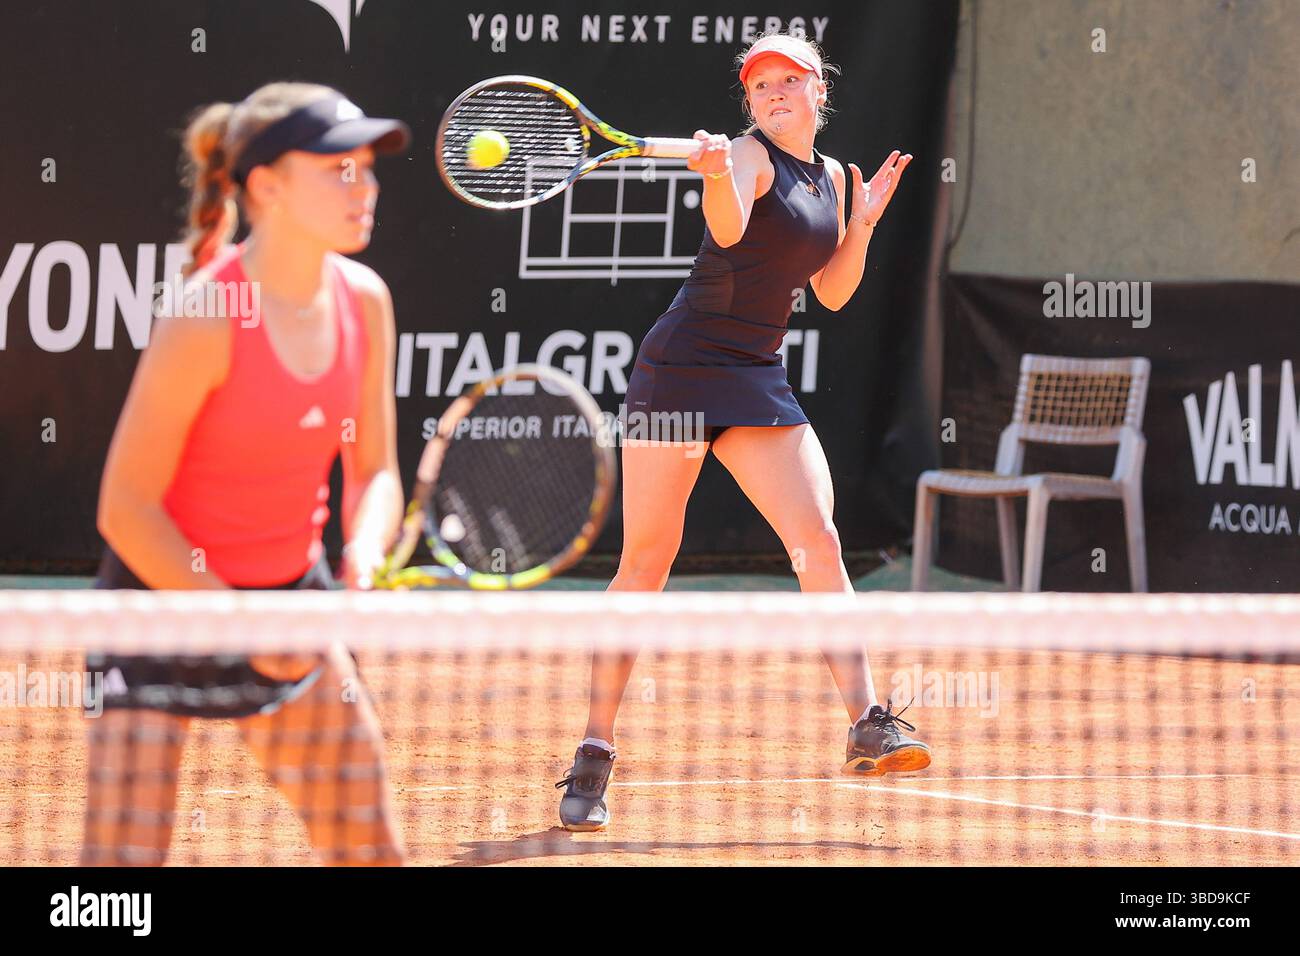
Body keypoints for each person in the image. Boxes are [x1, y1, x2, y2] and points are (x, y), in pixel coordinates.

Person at [556, 34, 928, 831]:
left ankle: (868, 719)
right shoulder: (746, 156)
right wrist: (719, 176)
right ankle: (594, 748)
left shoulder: (832, 178)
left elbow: (831, 295)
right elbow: (727, 231)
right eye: (759, 86)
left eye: (788, 81)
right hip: (682, 371)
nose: (772, 93)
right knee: (647, 564)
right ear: (749, 102)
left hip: (756, 373)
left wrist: (859, 225)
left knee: (818, 541)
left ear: (818, 90)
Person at [87, 82, 408, 864]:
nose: (364, 186)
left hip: (292, 602)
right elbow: (125, 507)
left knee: (372, 854)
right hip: (157, 610)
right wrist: (238, 625)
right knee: (118, 880)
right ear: (265, 186)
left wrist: (364, 552)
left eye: (367, 167)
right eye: (339, 168)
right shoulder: (206, 314)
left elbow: (375, 472)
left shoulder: (365, 301)